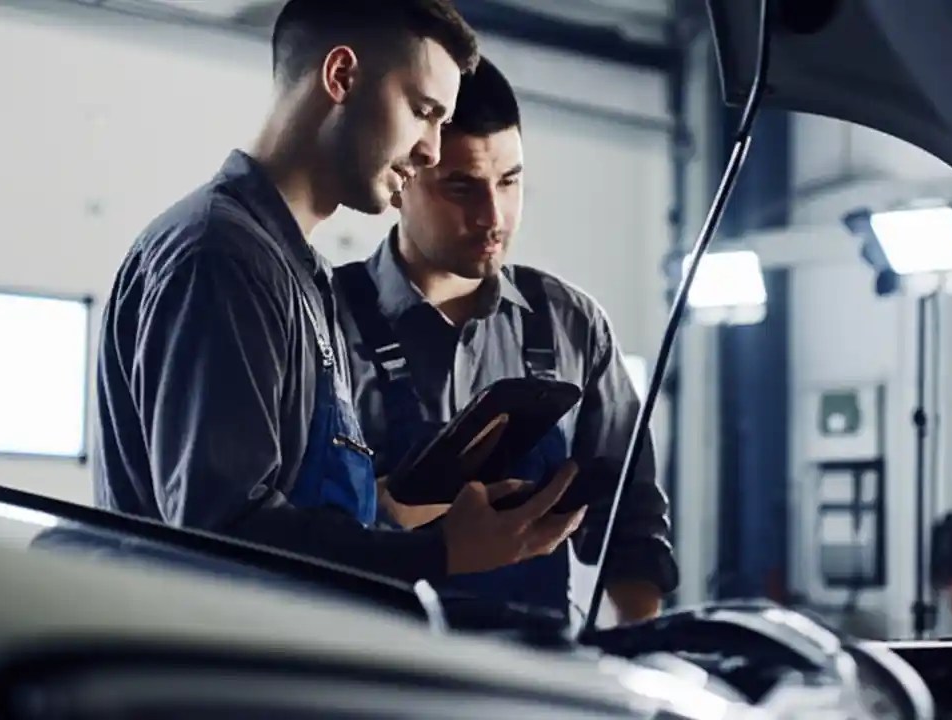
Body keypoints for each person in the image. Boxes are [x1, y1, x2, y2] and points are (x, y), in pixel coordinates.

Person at [92, 0, 587, 586]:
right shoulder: (221, 258)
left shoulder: (302, 275)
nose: (431, 149)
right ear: (341, 77)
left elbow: (295, 503)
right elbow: (222, 534)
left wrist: (395, 510)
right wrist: (438, 556)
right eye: (424, 112)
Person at [332, 57, 678, 623]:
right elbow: (289, 530)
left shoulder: (571, 325)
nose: (494, 216)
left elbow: (628, 516)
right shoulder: (324, 317)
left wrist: (636, 647)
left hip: (533, 677)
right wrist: (389, 513)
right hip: (379, 673)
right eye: (462, 187)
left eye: (510, 182)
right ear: (400, 180)